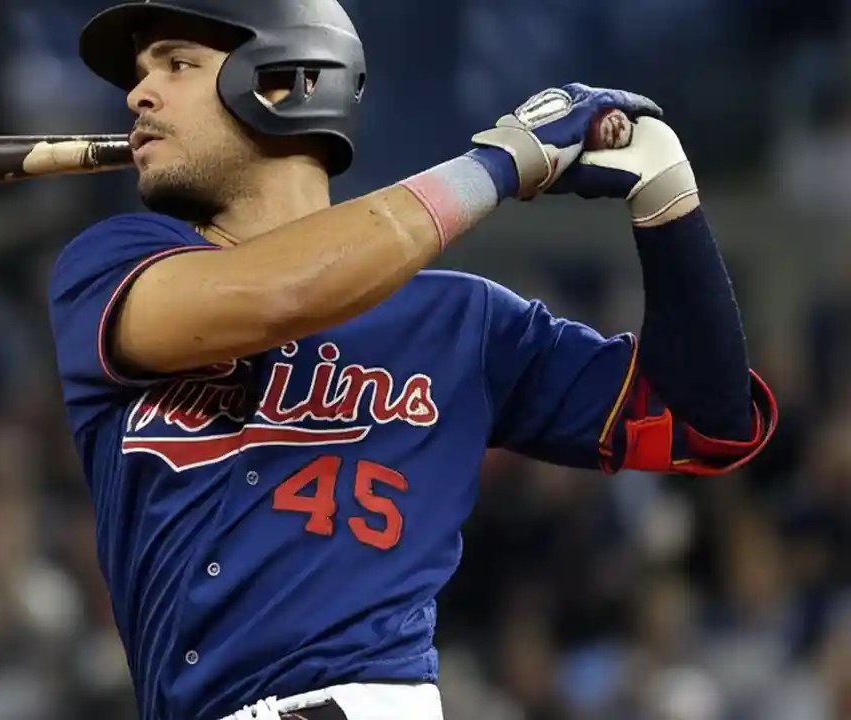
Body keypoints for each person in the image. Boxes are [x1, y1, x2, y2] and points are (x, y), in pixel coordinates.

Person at [45, 2, 778, 719]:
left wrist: (668, 203)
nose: (139, 93)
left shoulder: (461, 323)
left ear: (285, 79)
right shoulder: (110, 269)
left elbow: (703, 418)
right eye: (141, 74)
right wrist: (493, 167)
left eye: (177, 64)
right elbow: (281, 294)